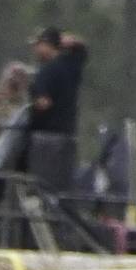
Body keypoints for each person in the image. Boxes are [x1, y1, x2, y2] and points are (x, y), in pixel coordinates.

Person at [27, 27, 88, 191]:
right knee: (62, 190)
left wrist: (28, 115)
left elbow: (43, 103)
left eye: (38, 44)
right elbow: (82, 50)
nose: (35, 49)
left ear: (47, 45)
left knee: (43, 189)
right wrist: (72, 41)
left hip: (46, 140)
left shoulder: (45, 71)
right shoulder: (71, 64)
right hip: (68, 137)